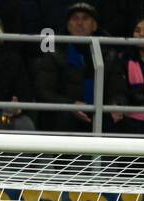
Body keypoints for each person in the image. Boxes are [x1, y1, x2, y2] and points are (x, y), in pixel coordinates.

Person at [34, 1, 103, 134]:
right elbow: (43, 91)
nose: (80, 23)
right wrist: (70, 105)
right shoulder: (55, 54)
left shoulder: (107, 53)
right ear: (68, 26)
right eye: (75, 18)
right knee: (63, 118)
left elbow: (117, 88)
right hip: (65, 114)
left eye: (85, 18)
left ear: (94, 25)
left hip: (99, 112)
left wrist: (116, 103)